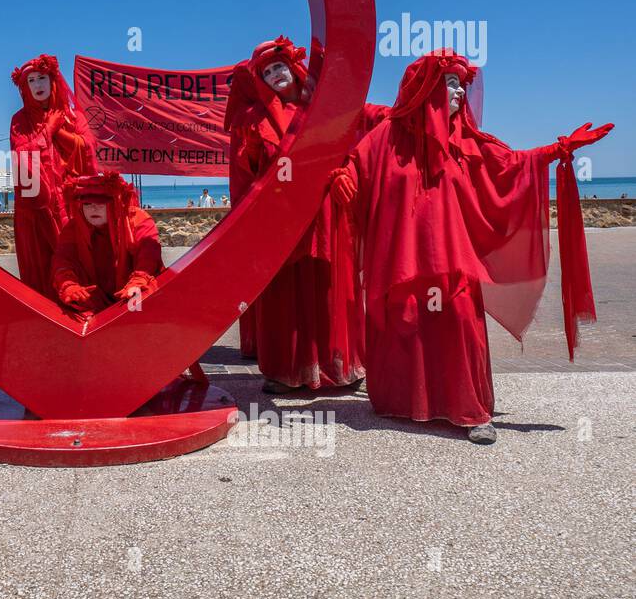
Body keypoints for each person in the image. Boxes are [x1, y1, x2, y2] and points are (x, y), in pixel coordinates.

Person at [330, 49, 612, 444]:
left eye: (462, 86)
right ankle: (403, 403)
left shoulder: (466, 141)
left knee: (461, 324)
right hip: (398, 261)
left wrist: (559, 150)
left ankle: (470, 411)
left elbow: (513, 165)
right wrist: (342, 178)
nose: (460, 93)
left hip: (453, 260)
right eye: (450, 84)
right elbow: (351, 170)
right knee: (402, 327)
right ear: (426, 88)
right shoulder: (383, 139)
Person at [224, 36, 387, 392]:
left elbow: (368, 125)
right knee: (287, 291)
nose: (275, 74)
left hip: (328, 213)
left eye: (279, 66)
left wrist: (348, 171)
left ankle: (338, 367)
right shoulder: (251, 120)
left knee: (331, 286)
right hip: (280, 221)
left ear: (293, 67)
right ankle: (288, 370)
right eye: (267, 72)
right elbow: (245, 175)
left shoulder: (324, 106)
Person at [8, 54, 96, 299]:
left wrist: (60, 132)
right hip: (38, 212)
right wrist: (48, 130)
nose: (38, 85)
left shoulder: (75, 117)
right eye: (32, 80)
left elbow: (88, 149)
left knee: (76, 261)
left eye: (42, 78)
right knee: (42, 269)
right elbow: (22, 157)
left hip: (71, 205)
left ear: (53, 80)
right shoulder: (19, 121)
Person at [52, 172, 164, 317]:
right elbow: (62, 259)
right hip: (93, 299)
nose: (93, 208)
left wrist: (139, 279)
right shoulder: (73, 228)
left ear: (115, 202)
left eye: (100, 202)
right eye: (87, 203)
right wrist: (68, 284)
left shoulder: (138, 219)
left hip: (134, 296)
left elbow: (149, 253)